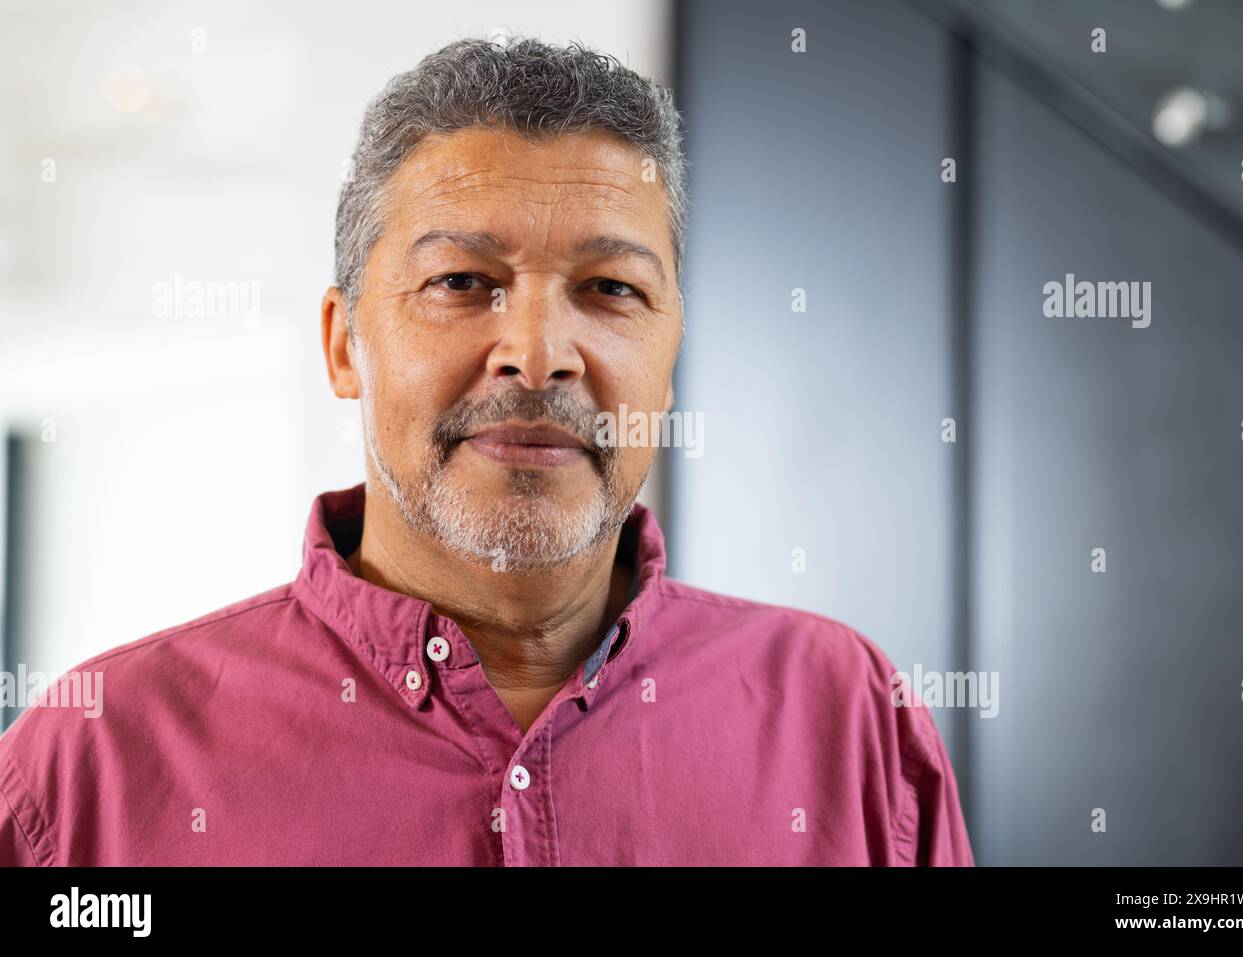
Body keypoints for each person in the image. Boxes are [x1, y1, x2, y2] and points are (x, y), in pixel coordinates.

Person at [0, 36, 973, 866]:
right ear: (345, 347)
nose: (540, 354)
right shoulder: (92, 773)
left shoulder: (849, 723)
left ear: (672, 358)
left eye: (610, 290)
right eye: (463, 281)